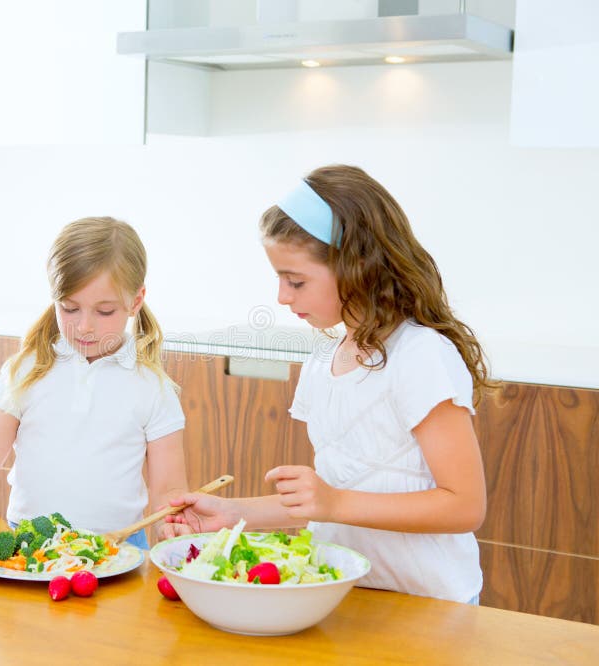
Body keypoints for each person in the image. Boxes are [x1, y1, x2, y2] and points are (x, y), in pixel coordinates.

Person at [168, 165, 490, 603]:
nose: (282, 296)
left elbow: (465, 505)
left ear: (355, 267)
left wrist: (335, 503)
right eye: (280, 279)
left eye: (296, 281)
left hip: (430, 602)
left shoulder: (420, 354)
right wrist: (232, 513)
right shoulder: (323, 359)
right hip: (345, 593)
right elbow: (329, 497)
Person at [0, 217, 190, 549]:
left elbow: (169, 491)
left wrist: (174, 522)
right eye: (69, 308)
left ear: (136, 301)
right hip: (30, 550)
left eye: (104, 312)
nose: (84, 326)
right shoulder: (27, 371)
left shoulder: (153, 388)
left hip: (121, 551)